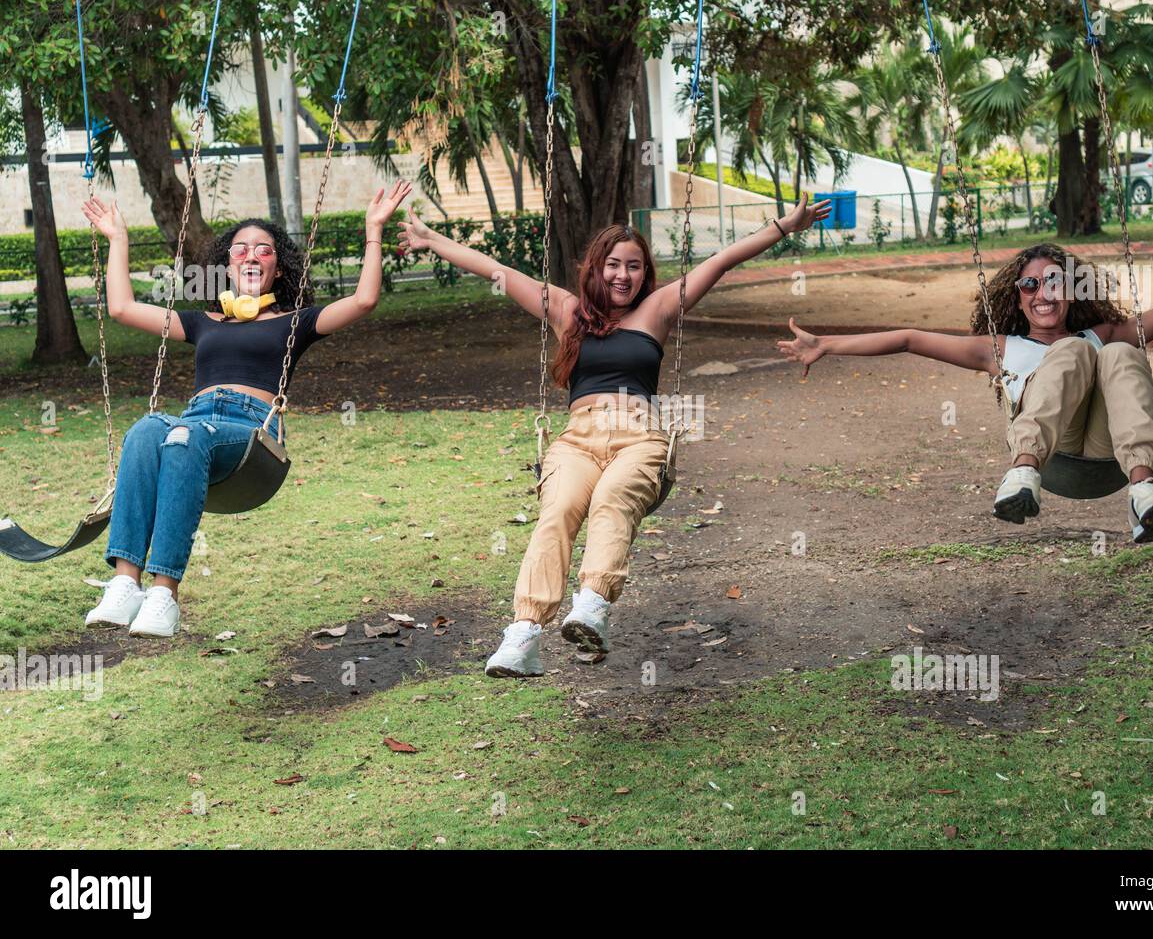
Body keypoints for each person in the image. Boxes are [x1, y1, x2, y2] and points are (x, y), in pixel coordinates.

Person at [399, 194, 830, 676]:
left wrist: (783, 227)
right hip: (577, 440)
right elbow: (495, 270)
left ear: (646, 274)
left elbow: (722, 260)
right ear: (595, 268)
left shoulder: (659, 309)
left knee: (612, 499)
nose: (623, 276)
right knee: (557, 513)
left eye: (634, 267)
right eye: (613, 265)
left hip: (639, 438)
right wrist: (431, 240)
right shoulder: (566, 311)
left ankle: (593, 605)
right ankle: (524, 635)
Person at [778, 243, 1153, 542]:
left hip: (1110, 459)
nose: (1043, 294)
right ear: (1016, 296)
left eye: (1055, 283)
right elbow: (910, 339)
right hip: (1054, 459)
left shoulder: (1103, 334)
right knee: (1070, 353)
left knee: (1120, 352)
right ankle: (1021, 476)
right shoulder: (999, 349)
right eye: (1031, 285)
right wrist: (826, 344)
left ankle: (1143, 492)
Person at [80, 181, 412, 637]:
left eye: (263, 250)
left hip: (251, 431)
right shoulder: (203, 322)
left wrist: (373, 229)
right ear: (227, 266)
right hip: (196, 421)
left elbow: (363, 300)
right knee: (145, 430)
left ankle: (164, 595)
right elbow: (121, 308)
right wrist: (118, 239)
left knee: (182, 436)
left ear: (278, 268)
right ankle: (124, 585)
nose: (251, 255)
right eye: (240, 249)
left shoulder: (296, 322)